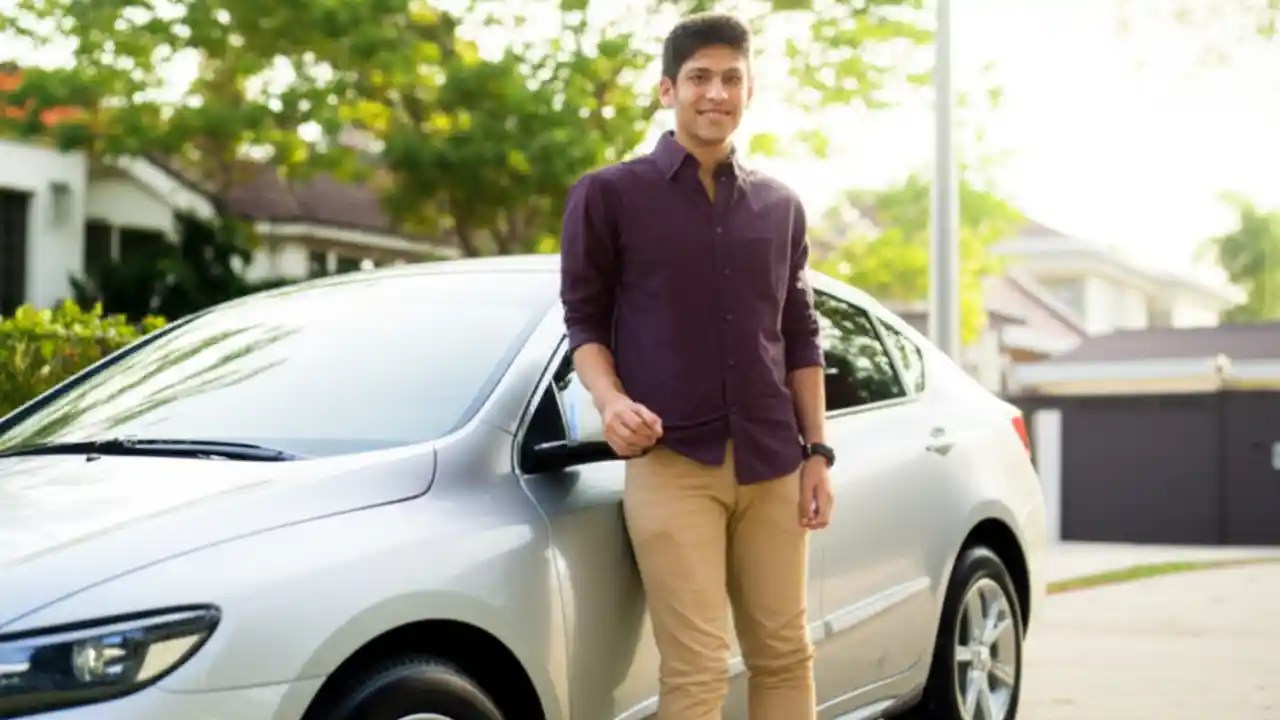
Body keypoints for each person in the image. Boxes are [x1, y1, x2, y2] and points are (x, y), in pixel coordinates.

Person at [559, 11, 835, 720]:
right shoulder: (609, 194)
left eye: (732, 79)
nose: (716, 93)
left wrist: (818, 454)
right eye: (700, 78)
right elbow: (584, 322)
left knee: (785, 653)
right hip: (672, 460)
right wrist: (610, 401)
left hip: (774, 462)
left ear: (750, 91)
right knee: (696, 668)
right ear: (666, 90)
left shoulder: (780, 206)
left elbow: (799, 334)